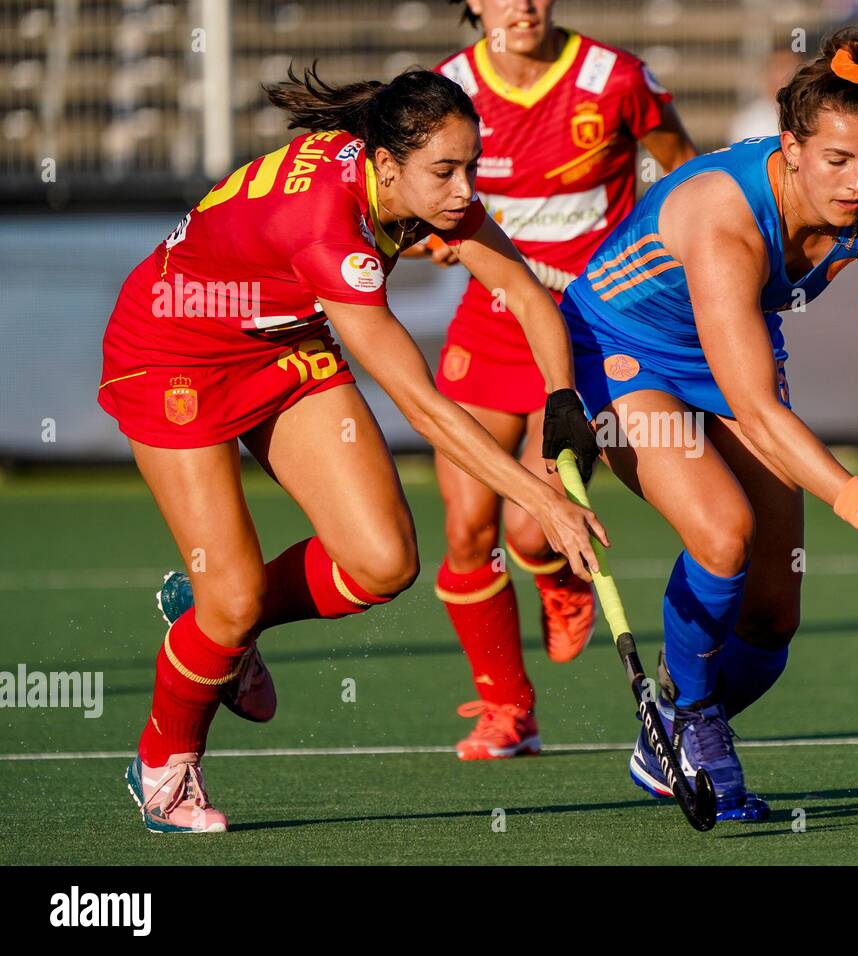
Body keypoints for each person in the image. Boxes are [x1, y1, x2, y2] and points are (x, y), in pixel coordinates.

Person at [97, 65, 604, 833]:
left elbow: (527, 294)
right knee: (229, 601)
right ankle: (166, 768)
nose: (465, 190)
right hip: (172, 352)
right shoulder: (330, 230)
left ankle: (216, 620)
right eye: (446, 172)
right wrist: (541, 499)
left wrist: (561, 397)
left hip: (281, 345)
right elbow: (423, 406)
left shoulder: (413, 181)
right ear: (386, 164)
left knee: (382, 563)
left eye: (472, 167)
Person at [560, 27, 858, 821]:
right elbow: (759, 412)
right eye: (837, 161)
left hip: (730, 353)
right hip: (620, 349)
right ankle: (696, 728)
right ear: (791, 148)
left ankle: (665, 734)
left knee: (774, 615)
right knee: (722, 530)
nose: (857, 182)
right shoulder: (723, 213)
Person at [400, 0, 696, 761]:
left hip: (587, 328)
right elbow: (410, 200)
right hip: (490, 320)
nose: (523, 4)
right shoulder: (450, 87)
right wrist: (431, 235)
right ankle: (508, 710)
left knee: (533, 525)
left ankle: (554, 572)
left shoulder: (615, 78)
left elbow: (685, 177)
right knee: (467, 529)